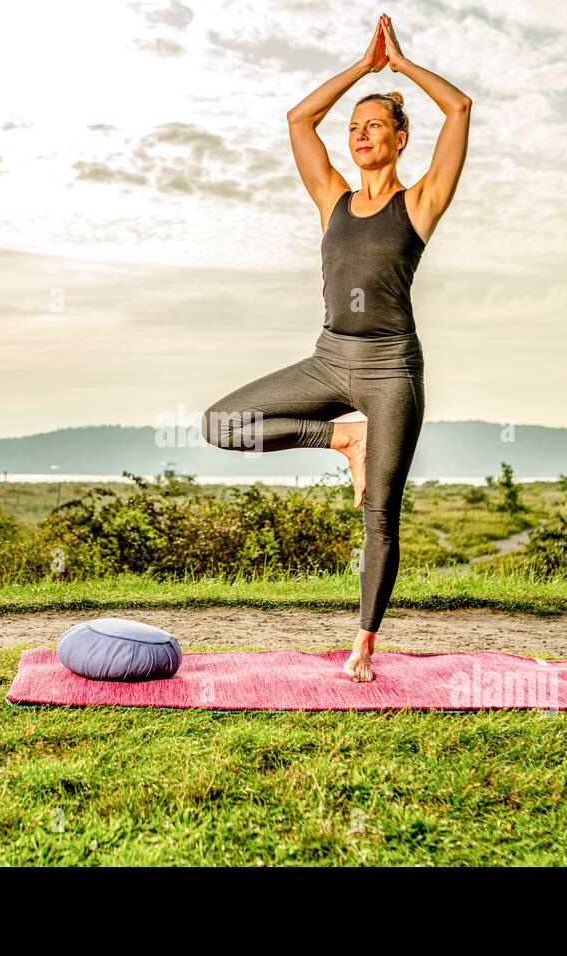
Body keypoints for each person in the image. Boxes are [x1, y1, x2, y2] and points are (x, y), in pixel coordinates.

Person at [201, 13, 471, 682]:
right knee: (219, 424)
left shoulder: (421, 202)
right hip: (327, 360)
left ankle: (363, 644)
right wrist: (360, 67)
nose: (359, 133)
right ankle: (342, 441)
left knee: (380, 514)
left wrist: (399, 66)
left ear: (401, 139)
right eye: (353, 127)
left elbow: (460, 106)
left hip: (390, 370)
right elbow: (299, 120)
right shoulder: (333, 199)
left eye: (374, 124)